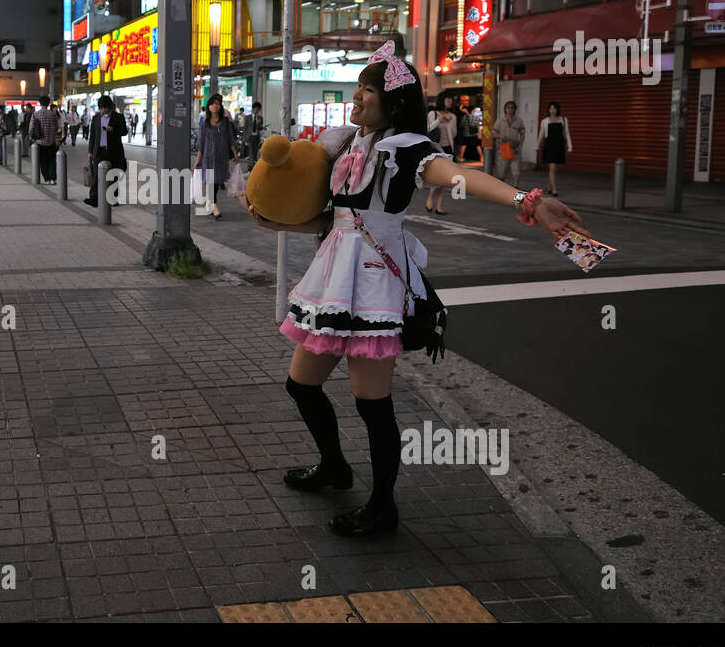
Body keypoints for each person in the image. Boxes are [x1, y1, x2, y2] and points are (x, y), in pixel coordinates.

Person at [243, 41, 590, 536]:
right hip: (332, 278)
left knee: (371, 403)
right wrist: (272, 222)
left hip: (373, 287)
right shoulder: (346, 145)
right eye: (359, 87)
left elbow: (458, 176)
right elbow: (334, 219)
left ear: (396, 104)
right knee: (301, 385)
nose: (358, 96)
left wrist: (528, 199)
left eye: (369, 89)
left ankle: (383, 507)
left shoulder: (405, 148)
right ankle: (335, 467)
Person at [195, 93, 238, 220]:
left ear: (220, 106)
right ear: (208, 107)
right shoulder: (204, 122)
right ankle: (214, 207)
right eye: (212, 104)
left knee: (217, 181)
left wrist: (235, 155)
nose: (215, 106)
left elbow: (231, 139)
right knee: (210, 182)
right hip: (208, 157)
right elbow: (201, 142)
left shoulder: (225, 122)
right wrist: (198, 160)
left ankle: (211, 204)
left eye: (217, 104)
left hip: (221, 157)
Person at [84, 95, 127, 207]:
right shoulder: (96, 118)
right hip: (99, 151)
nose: (104, 110)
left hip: (114, 151)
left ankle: (113, 199)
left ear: (110, 107)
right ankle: (94, 198)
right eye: (102, 108)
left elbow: (124, 132)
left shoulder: (118, 117)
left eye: (106, 108)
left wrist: (113, 129)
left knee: (114, 175)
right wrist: (90, 151)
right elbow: (92, 136)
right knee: (96, 175)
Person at [424, 95, 454, 214]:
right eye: (448, 99)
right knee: (439, 177)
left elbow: (454, 133)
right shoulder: (433, 114)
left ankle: (439, 207)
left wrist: (450, 121)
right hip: (435, 148)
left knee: (445, 178)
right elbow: (426, 129)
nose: (450, 101)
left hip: (447, 148)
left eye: (451, 99)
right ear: (442, 100)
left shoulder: (452, 116)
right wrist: (439, 120)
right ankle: (430, 198)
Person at [538, 102, 573, 196]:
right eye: (550, 108)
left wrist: (570, 146)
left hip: (559, 146)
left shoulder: (563, 120)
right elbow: (541, 134)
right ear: (548, 110)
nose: (552, 110)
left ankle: (549, 185)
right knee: (552, 168)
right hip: (549, 146)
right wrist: (537, 146)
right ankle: (554, 190)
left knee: (555, 169)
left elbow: (567, 133)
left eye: (554, 108)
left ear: (557, 109)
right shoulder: (544, 121)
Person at [493, 99, 526, 188]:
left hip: (515, 146)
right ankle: (502, 180)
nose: (510, 109)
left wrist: (521, 145)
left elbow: (522, 133)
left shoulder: (519, 121)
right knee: (503, 168)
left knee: (516, 167)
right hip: (504, 146)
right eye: (508, 108)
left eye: (512, 108)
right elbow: (493, 133)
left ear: (515, 109)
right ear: (505, 109)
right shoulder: (500, 121)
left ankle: (515, 185)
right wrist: (500, 136)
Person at [29, 95, 62, 183]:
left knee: (43, 161)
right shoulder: (53, 114)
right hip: (51, 142)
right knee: (52, 160)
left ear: (40, 103)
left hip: (40, 142)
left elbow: (31, 128)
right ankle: (53, 179)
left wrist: (32, 138)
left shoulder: (35, 114)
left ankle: (47, 179)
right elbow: (56, 128)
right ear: (48, 104)